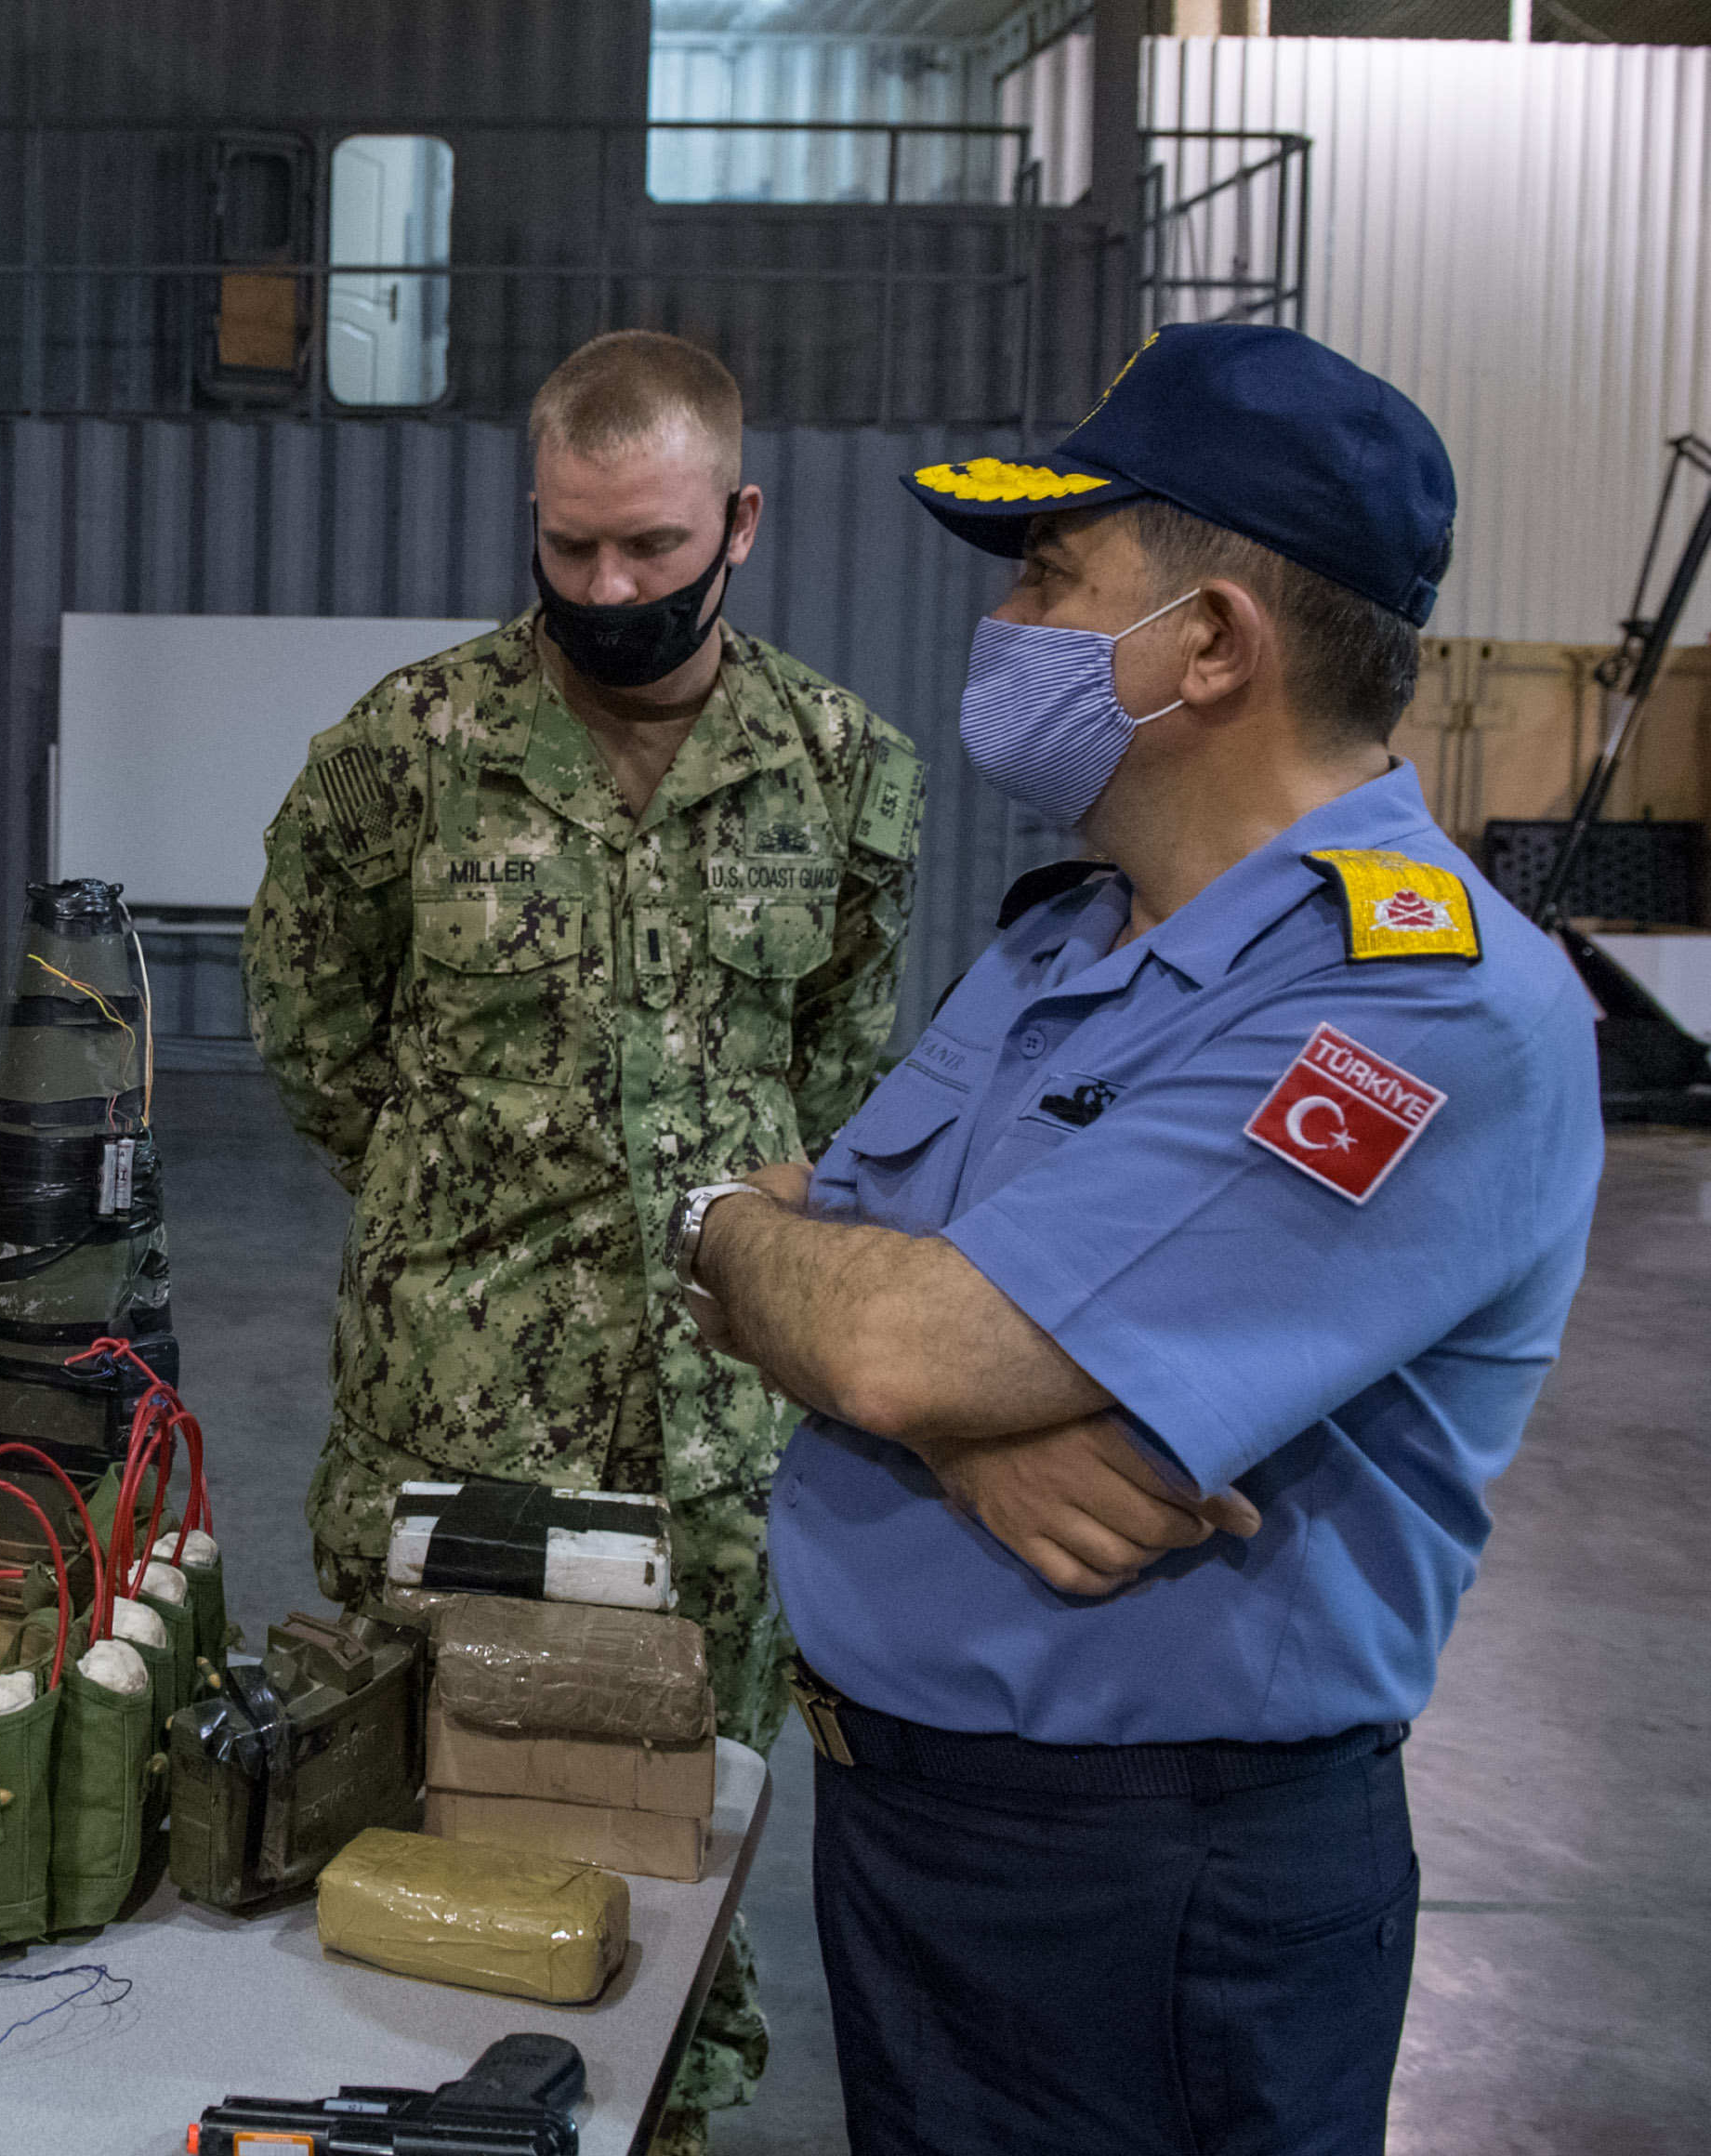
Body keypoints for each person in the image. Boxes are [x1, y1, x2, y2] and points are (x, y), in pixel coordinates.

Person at [673, 322, 1601, 2154]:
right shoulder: (1068, 946)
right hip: (924, 1831)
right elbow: (824, 1277)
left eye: (1049, 575)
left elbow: (873, 1333)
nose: (1006, 620)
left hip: (1151, 1889)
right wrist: (929, 1399)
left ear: (1212, 643)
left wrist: (839, 1313)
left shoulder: (1419, 1004)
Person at [242, 329, 926, 2142]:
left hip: (716, 1462)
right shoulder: (405, 752)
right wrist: (459, 1221)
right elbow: (311, 1030)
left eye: (651, 545)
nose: (610, 588)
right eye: (571, 546)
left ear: (740, 522)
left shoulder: (843, 773)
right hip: (455, 1439)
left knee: (678, 1886)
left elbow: (840, 1087)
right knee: (427, 1870)